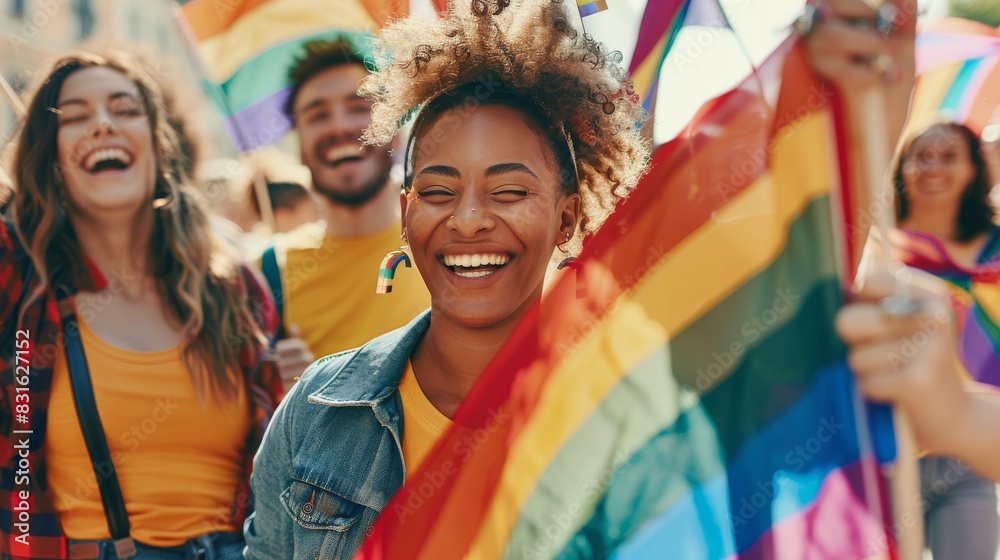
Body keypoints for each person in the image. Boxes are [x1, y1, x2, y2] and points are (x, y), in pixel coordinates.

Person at [243, 0, 933, 557]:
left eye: (510, 192)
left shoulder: (638, 417)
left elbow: (799, 250)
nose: (471, 220)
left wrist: (872, 79)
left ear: (569, 218)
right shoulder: (318, 412)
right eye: (438, 190)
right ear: (405, 212)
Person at [0, 50, 282, 559]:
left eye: (125, 110)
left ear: (157, 146)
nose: (103, 125)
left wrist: (298, 388)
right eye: (76, 116)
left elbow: (280, 472)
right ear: (51, 158)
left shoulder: (233, 286)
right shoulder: (18, 277)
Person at [864, 121, 999, 559]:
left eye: (948, 157)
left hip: (971, 453)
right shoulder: (872, 247)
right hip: (883, 448)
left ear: (973, 171)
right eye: (921, 156)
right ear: (900, 168)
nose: (933, 167)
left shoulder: (996, 248)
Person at [262, 38, 430, 388]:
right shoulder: (266, 274)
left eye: (359, 106)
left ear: (396, 132)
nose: (339, 126)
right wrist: (282, 395)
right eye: (317, 114)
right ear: (299, 140)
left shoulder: (449, 242)